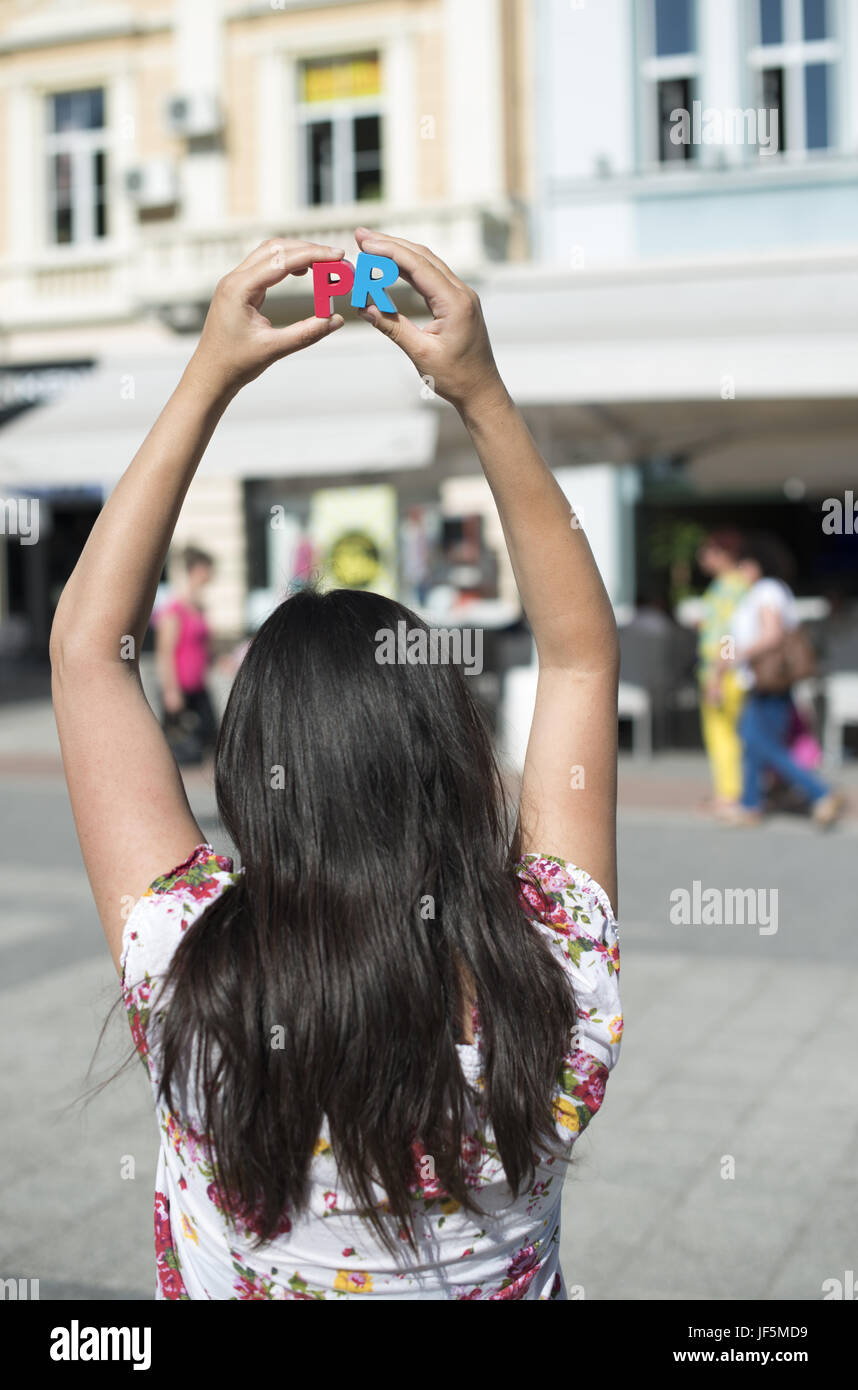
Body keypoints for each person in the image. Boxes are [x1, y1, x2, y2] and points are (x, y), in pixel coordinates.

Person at [49, 231, 622, 1301]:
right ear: (454, 756)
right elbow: (581, 654)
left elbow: (87, 647)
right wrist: (482, 395)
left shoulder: (195, 980)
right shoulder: (553, 969)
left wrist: (210, 372)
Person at [715, 533, 842, 827]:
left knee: (759, 742)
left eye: (743, 565)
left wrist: (735, 656)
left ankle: (819, 792)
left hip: (769, 682)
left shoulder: (766, 590)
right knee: (754, 741)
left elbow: (771, 635)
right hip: (765, 681)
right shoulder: (773, 590)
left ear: (756, 564)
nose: (740, 572)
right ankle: (750, 805)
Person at [696, 530, 749, 816]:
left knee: (723, 734)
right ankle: (731, 793)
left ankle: (730, 795)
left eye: (707, 551)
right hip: (723, 670)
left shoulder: (729, 587)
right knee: (728, 733)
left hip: (722, 672)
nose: (702, 557)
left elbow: (728, 636)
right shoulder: (733, 585)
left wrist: (716, 676)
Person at [154, 545, 218, 764]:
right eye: (208, 569)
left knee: (211, 734)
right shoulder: (175, 610)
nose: (211, 574)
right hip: (179, 686)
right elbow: (165, 653)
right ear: (197, 570)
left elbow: (205, 648)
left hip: (198, 684)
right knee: (172, 743)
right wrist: (171, 690)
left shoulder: (200, 608)